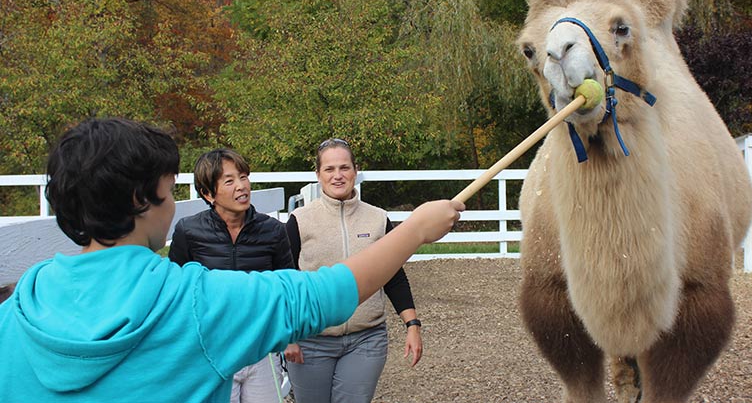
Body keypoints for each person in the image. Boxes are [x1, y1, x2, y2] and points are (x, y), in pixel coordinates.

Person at [0, 117, 463, 402]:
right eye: (168, 189)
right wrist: (417, 230)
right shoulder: (195, 301)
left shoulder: (16, 310)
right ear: (143, 199)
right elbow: (324, 294)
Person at [284, 138, 423, 403]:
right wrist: (286, 335)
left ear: (355, 171)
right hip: (312, 341)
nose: (338, 176)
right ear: (318, 174)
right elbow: (285, 280)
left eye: (344, 168)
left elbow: (394, 275)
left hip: (366, 339)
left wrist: (412, 324)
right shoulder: (299, 222)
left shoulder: (378, 219)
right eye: (329, 169)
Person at [169, 148, 295, 403]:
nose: (241, 186)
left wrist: (290, 337)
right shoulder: (189, 231)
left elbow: (287, 286)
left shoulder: (273, 230)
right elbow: (176, 292)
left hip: (261, 346)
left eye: (244, 177)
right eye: (229, 181)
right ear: (207, 193)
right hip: (211, 351)